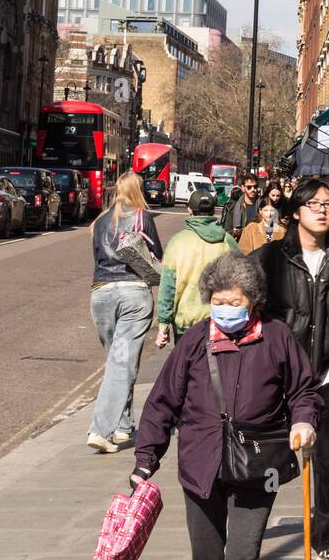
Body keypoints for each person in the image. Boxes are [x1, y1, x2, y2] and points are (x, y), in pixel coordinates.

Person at [131, 252, 321, 560]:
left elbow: (304, 390)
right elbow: (162, 402)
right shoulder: (195, 341)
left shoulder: (276, 338)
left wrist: (304, 420)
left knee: (243, 551)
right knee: (205, 552)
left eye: (233, 300)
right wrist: (145, 460)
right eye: (217, 299)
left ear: (252, 302)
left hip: (258, 465)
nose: (225, 308)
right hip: (200, 462)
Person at [255, 177, 329, 560]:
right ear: (295, 212)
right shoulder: (269, 258)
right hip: (275, 378)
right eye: (315, 204)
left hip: (324, 374)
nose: (324, 210)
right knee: (260, 459)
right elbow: (247, 303)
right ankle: (246, 538)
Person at [87, 171, 164, 454]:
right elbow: (156, 254)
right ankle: (100, 429)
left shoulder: (100, 220)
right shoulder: (142, 216)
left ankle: (122, 427)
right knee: (123, 363)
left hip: (101, 293)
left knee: (117, 362)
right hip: (133, 292)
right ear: (137, 190)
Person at [156, 190, 240, 346]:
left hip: (186, 324)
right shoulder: (227, 241)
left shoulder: (177, 242)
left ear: (189, 210)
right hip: (220, 322)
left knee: (187, 369)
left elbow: (168, 287)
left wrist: (163, 324)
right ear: (214, 210)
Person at [222, 173, 261, 239]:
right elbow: (226, 230)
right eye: (249, 187)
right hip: (241, 244)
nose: (253, 189)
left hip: (259, 244)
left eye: (255, 186)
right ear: (243, 188)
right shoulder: (234, 207)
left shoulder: (263, 205)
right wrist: (235, 232)